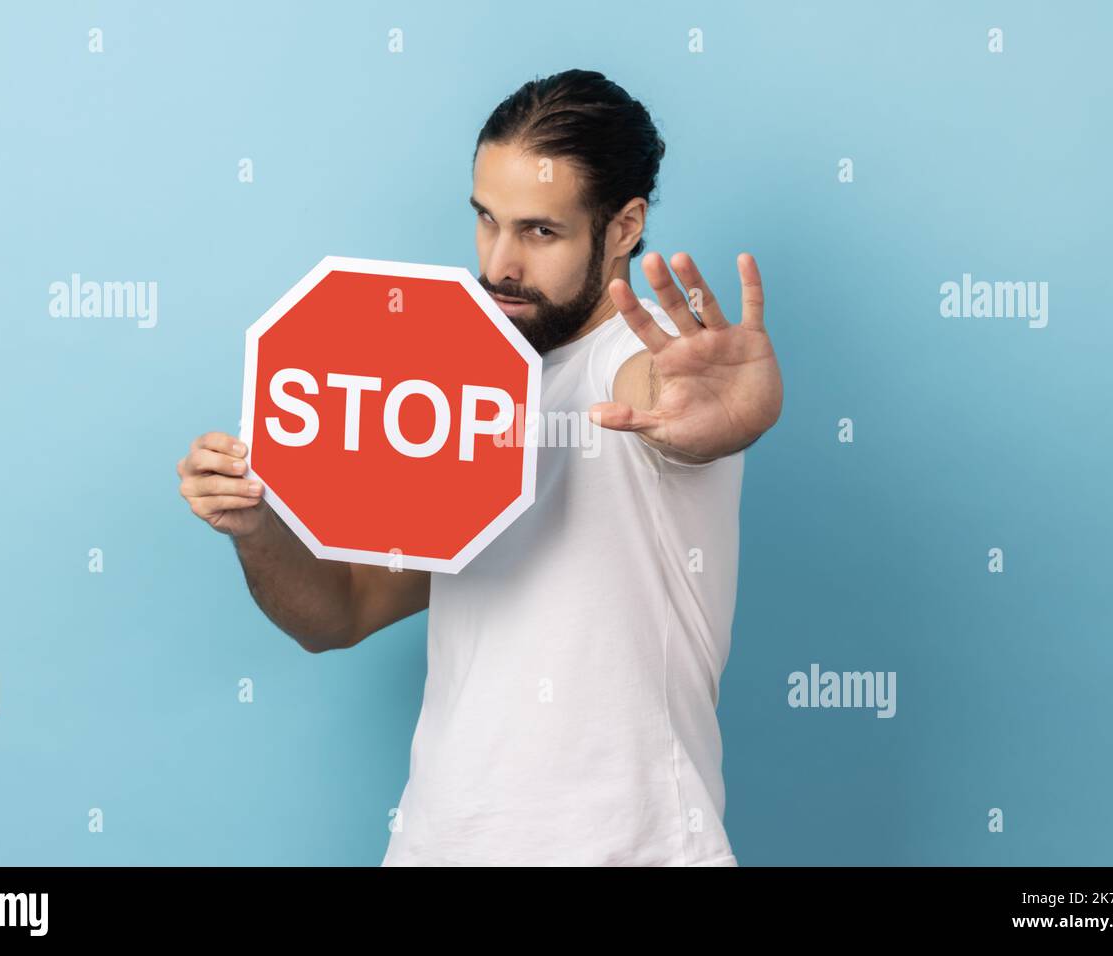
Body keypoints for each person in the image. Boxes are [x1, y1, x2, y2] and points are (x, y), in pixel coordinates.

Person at [177, 69, 782, 865]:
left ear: (625, 224)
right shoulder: (462, 390)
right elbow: (341, 614)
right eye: (486, 222)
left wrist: (720, 414)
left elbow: (667, 410)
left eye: (540, 232)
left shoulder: (646, 366)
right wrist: (254, 527)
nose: (500, 264)